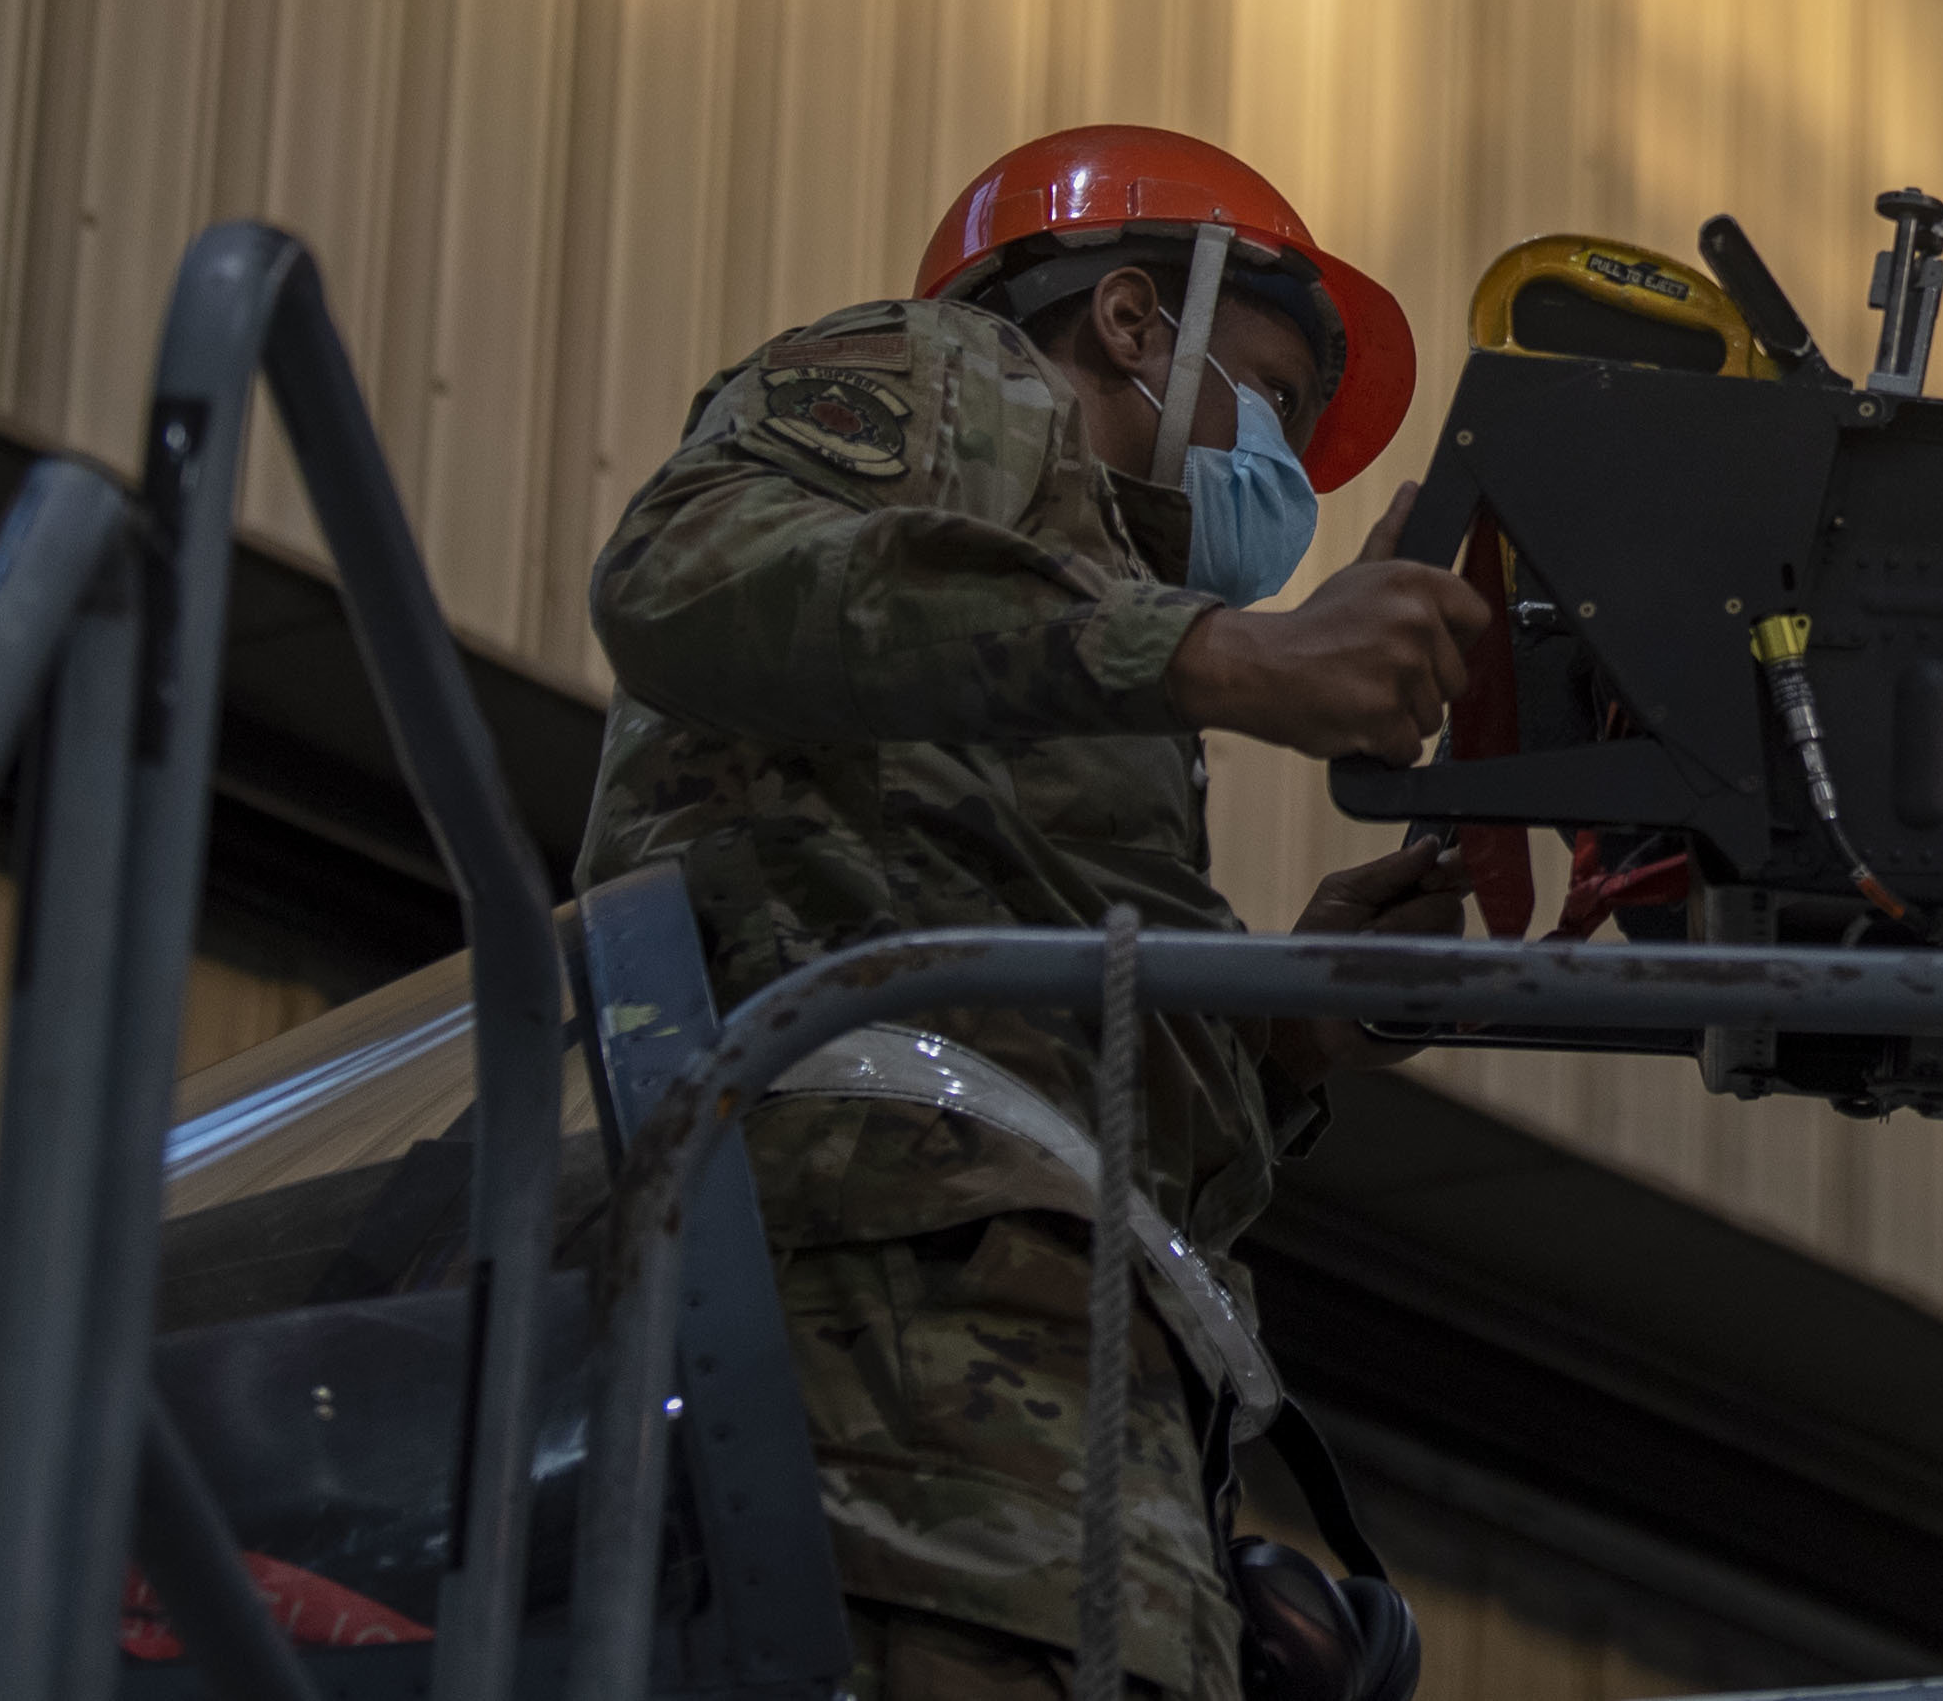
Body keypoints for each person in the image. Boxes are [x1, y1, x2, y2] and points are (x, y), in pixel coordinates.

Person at [577, 124, 1497, 1701]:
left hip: (1018, 1387)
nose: (1278, 466)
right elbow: (687, 571)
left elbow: (999, 987)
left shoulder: (1081, 627)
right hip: (881, 1356)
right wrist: (1222, 656)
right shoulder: (952, 378)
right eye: (1269, 395)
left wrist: (1289, 1037)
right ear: (1134, 322)